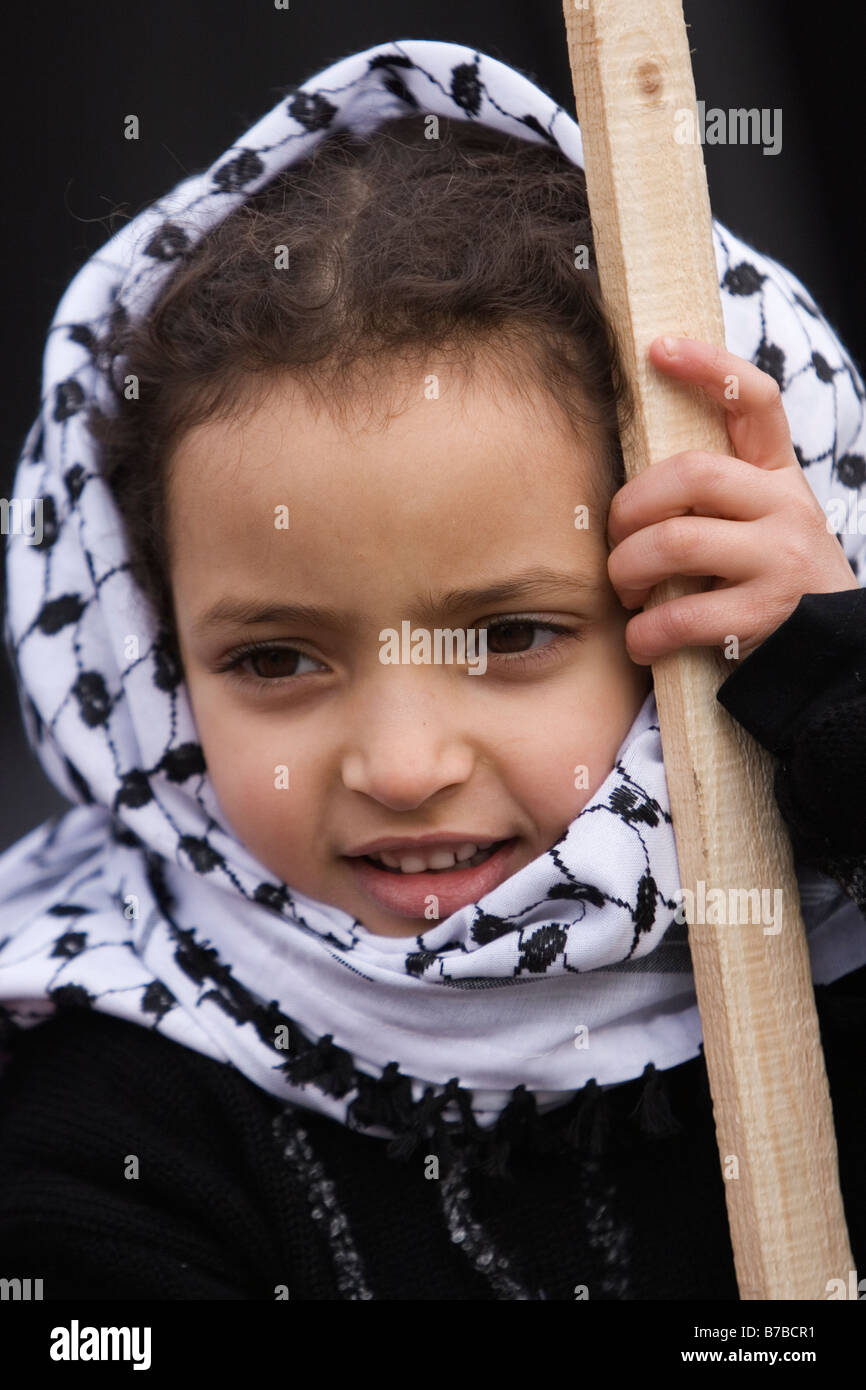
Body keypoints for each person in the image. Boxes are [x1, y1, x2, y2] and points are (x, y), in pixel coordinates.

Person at [0, 38, 865, 1301]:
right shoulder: (110, 1134)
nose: (403, 769)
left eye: (511, 635)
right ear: (148, 671)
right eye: (276, 657)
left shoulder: (827, 944)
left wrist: (828, 691)